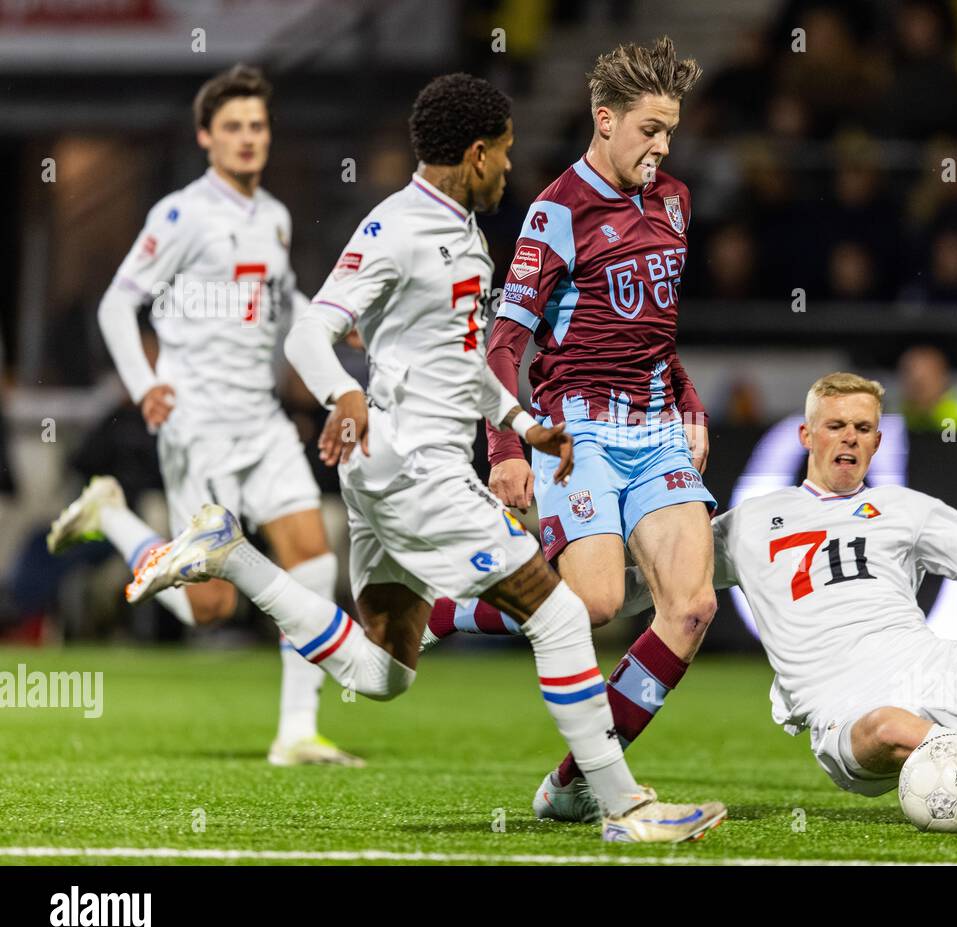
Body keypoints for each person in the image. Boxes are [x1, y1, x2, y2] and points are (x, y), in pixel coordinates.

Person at [126, 73, 726, 844]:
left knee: (382, 674)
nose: (511, 170)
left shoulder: (461, 231)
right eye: (504, 155)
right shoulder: (398, 227)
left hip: (392, 469)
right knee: (562, 613)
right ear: (475, 155)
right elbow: (309, 331)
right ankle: (622, 808)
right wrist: (345, 395)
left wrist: (518, 424)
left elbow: (463, 358)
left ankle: (233, 556)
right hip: (416, 466)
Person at [562, 373, 957, 823]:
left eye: (863, 428)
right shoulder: (750, 522)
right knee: (894, 728)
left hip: (929, 662)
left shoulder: (907, 510)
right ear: (806, 436)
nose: (849, 438)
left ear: (877, 440)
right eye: (834, 425)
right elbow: (647, 594)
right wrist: (547, 599)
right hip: (845, 706)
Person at [431, 38, 721, 822]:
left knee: (691, 608)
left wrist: (687, 400)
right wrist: (503, 448)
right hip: (576, 431)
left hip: (655, 426)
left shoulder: (675, 202)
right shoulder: (555, 211)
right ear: (605, 120)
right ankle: (445, 610)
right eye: (650, 130)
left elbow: (656, 332)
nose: (663, 149)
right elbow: (503, 343)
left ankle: (572, 783)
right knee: (592, 606)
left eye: (670, 132)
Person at [47, 64, 359, 767]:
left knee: (312, 560)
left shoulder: (275, 218)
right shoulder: (182, 215)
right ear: (206, 138)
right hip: (199, 429)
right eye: (233, 128)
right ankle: (112, 516)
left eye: (257, 126)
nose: (248, 139)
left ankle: (297, 732)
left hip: (264, 422)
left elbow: (282, 303)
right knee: (208, 609)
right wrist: (145, 382)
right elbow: (116, 304)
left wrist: (335, 326)